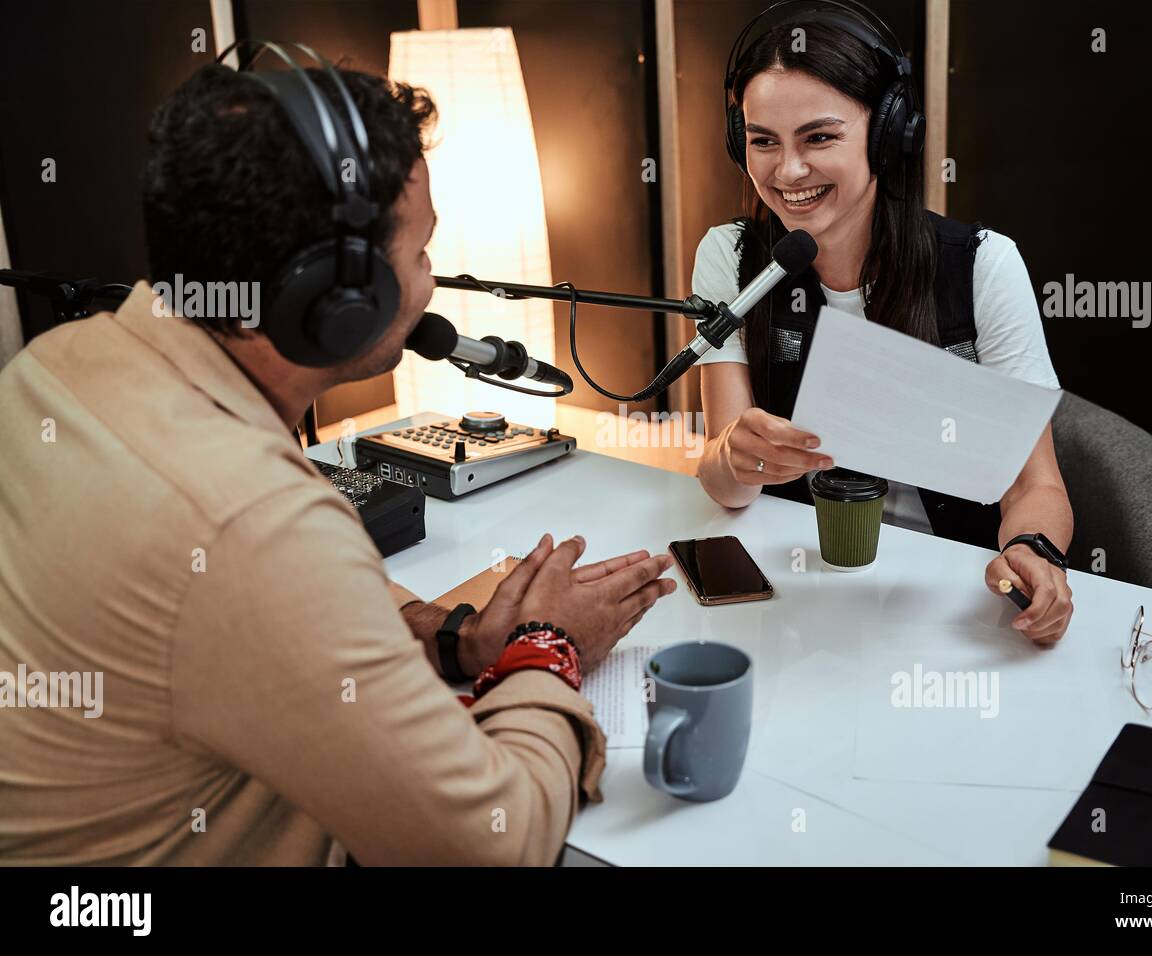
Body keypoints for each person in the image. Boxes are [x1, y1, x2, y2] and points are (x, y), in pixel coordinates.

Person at [0, 58, 674, 865]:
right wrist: (545, 646)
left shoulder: (57, 366)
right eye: (422, 251)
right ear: (335, 297)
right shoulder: (253, 522)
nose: (430, 280)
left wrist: (451, 639)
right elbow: (497, 846)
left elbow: (250, 640)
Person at [692, 3, 1074, 644]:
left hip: (945, 599)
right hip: (799, 590)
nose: (787, 172)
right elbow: (724, 485)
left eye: (819, 137)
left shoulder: (982, 265)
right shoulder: (731, 259)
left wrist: (1035, 553)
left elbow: (1036, 485)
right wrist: (735, 455)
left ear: (888, 133)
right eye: (763, 141)